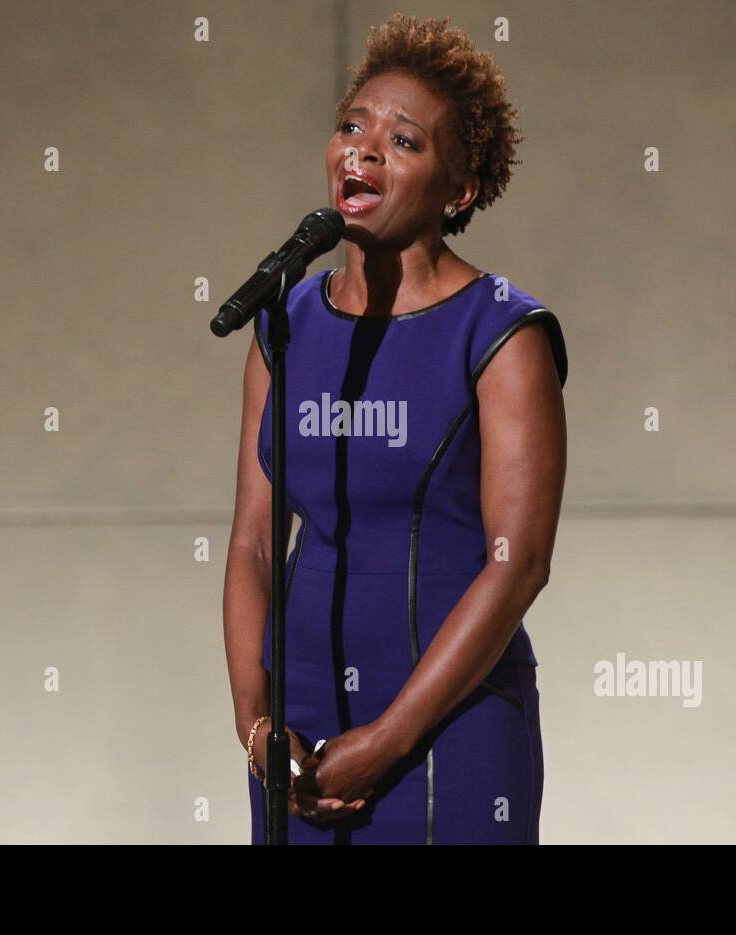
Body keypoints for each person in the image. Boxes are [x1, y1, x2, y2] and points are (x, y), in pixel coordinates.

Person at [222, 13, 568, 844]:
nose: (364, 150)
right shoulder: (286, 322)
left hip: (450, 727)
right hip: (298, 736)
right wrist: (258, 725)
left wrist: (387, 740)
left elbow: (516, 568)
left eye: (403, 141)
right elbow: (252, 546)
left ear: (460, 190)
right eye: (352, 126)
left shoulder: (501, 334)